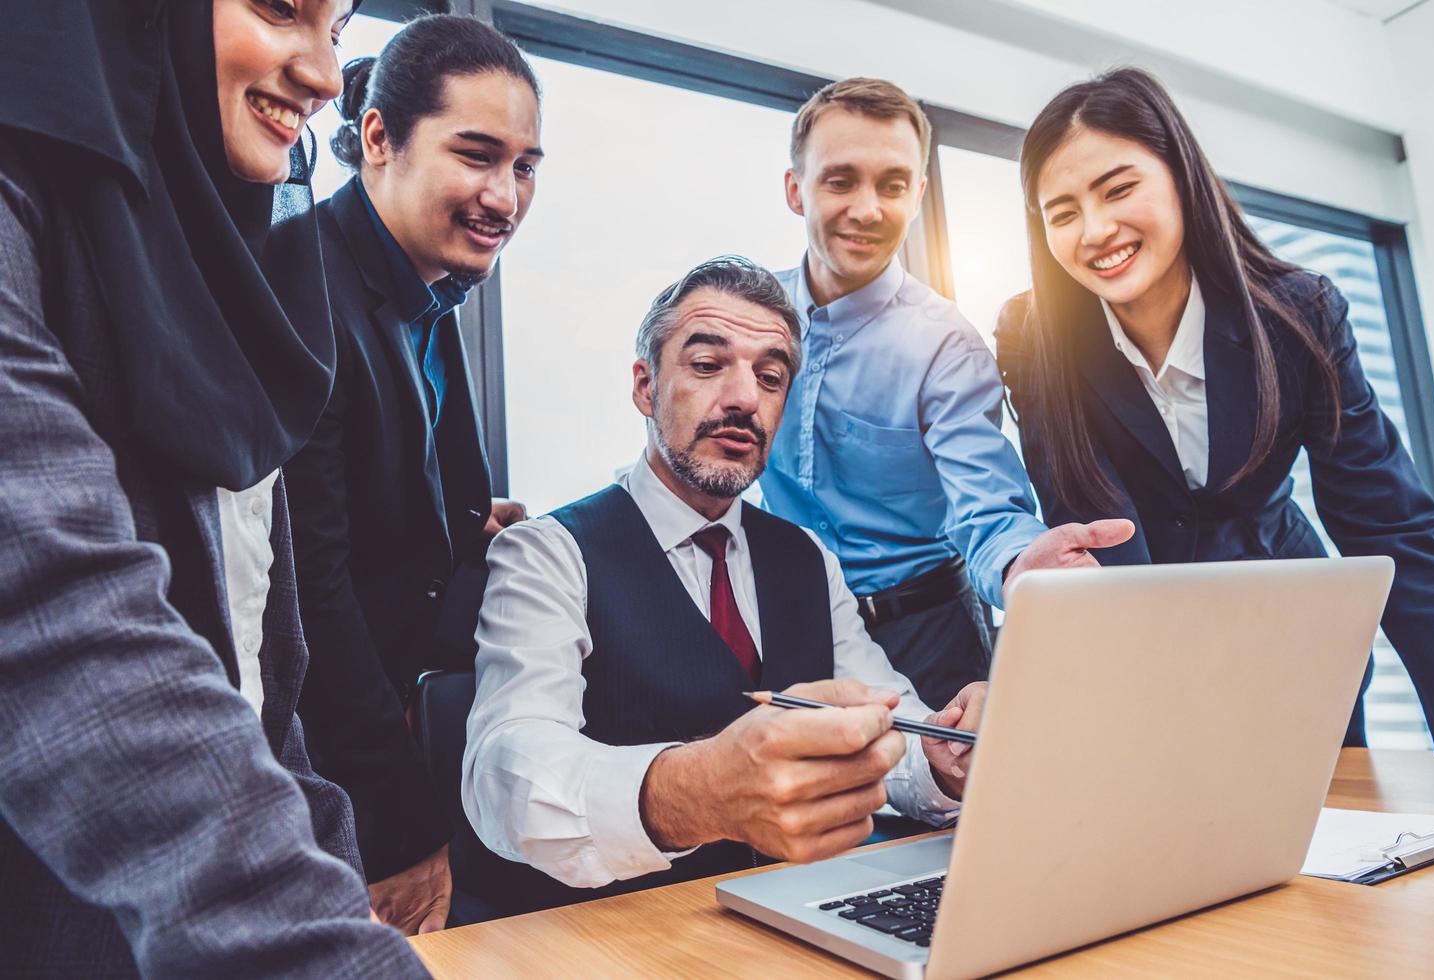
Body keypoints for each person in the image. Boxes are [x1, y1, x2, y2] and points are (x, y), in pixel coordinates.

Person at [0, 0, 427, 974]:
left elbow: (261, 686)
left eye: (339, 25)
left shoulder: (221, 272)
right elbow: (60, 620)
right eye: (281, 7)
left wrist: (336, 896)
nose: (323, 72)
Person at [461, 257, 990, 915]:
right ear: (644, 387)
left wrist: (940, 754)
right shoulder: (546, 552)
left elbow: (886, 725)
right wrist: (694, 793)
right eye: (708, 366)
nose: (744, 398)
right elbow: (504, 773)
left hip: (794, 917)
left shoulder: (806, 558)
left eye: (769, 377)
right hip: (621, 935)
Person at [995, 67, 1434, 763]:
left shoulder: (1299, 313)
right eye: (1062, 212)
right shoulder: (1032, 337)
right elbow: (1087, 514)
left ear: (1180, 177)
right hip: (1144, 645)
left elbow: (1385, 519)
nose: (1095, 230)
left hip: (1295, 640)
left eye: (1119, 189)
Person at [283, 14, 541, 934]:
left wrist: (466, 528)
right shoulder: (300, 279)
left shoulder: (433, 289)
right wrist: (396, 829)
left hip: (407, 728)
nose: (504, 196)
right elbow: (307, 588)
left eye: (524, 166)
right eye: (476, 155)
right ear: (380, 139)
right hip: (325, 777)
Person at [761, 78, 1132, 709]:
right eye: (841, 180)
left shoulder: (947, 347)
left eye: (894, 184)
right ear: (797, 190)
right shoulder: (751, 316)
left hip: (927, 635)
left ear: (919, 195)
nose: (869, 208)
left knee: (958, 807)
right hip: (792, 627)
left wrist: (1022, 566)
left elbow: (985, 508)